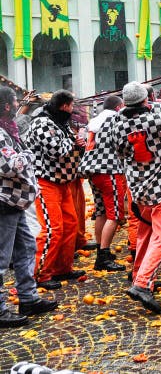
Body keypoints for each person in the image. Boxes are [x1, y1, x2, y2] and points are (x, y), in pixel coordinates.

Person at [111, 82, 161, 314]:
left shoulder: (116, 123)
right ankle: (143, 283)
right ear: (145, 100)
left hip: (137, 187)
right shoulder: (158, 118)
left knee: (146, 233)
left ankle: (139, 275)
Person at [0, 86, 58, 327]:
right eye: (15, 102)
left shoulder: (8, 129)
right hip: (4, 202)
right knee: (2, 259)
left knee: (25, 249)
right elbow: (8, 166)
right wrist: (29, 156)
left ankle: (28, 298)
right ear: (6, 106)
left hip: (16, 202)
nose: (17, 106)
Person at [25, 90, 86, 290]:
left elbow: (67, 144)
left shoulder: (58, 122)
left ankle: (62, 268)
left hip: (63, 181)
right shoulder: (42, 123)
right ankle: (40, 274)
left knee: (70, 224)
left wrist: (76, 143)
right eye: (71, 106)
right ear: (64, 106)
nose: (72, 110)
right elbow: (56, 150)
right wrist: (74, 143)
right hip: (46, 182)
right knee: (53, 229)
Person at [79, 95, 127, 272]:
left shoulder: (95, 120)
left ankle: (101, 248)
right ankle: (103, 257)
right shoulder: (116, 119)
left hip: (92, 170)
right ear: (118, 107)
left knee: (101, 212)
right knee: (115, 214)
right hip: (108, 170)